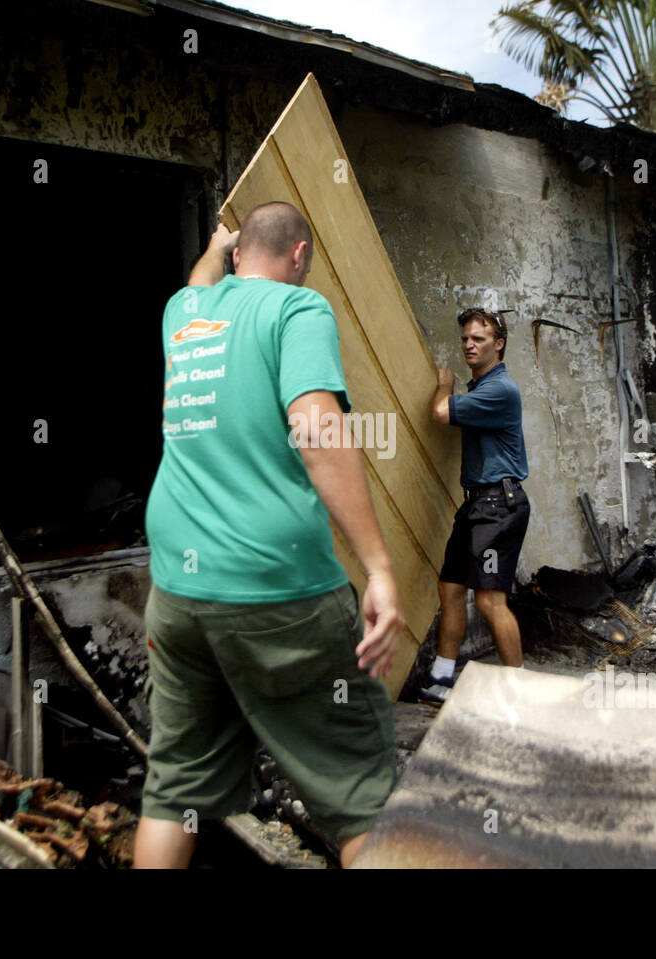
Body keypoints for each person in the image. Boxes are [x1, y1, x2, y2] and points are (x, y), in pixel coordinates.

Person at [133, 201, 405, 869]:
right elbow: (316, 429)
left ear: (235, 255)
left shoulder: (183, 314)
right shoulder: (297, 309)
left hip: (178, 594)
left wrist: (216, 245)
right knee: (364, 796)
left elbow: (200, 278)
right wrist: (379, 566)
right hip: (278, 592)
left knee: (173, 790)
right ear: (300, 255)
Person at [422, 307, 530, 701]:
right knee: (450, 587)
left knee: (488, 599)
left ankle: (518, 689)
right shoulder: (482, 389)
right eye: (465, 338)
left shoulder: (499, 390)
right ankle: (441, 678)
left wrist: (444, 384)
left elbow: (440, 412)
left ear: (498, 345)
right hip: (477, 505)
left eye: (478, 339)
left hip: (499, 507)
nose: (469, 345)